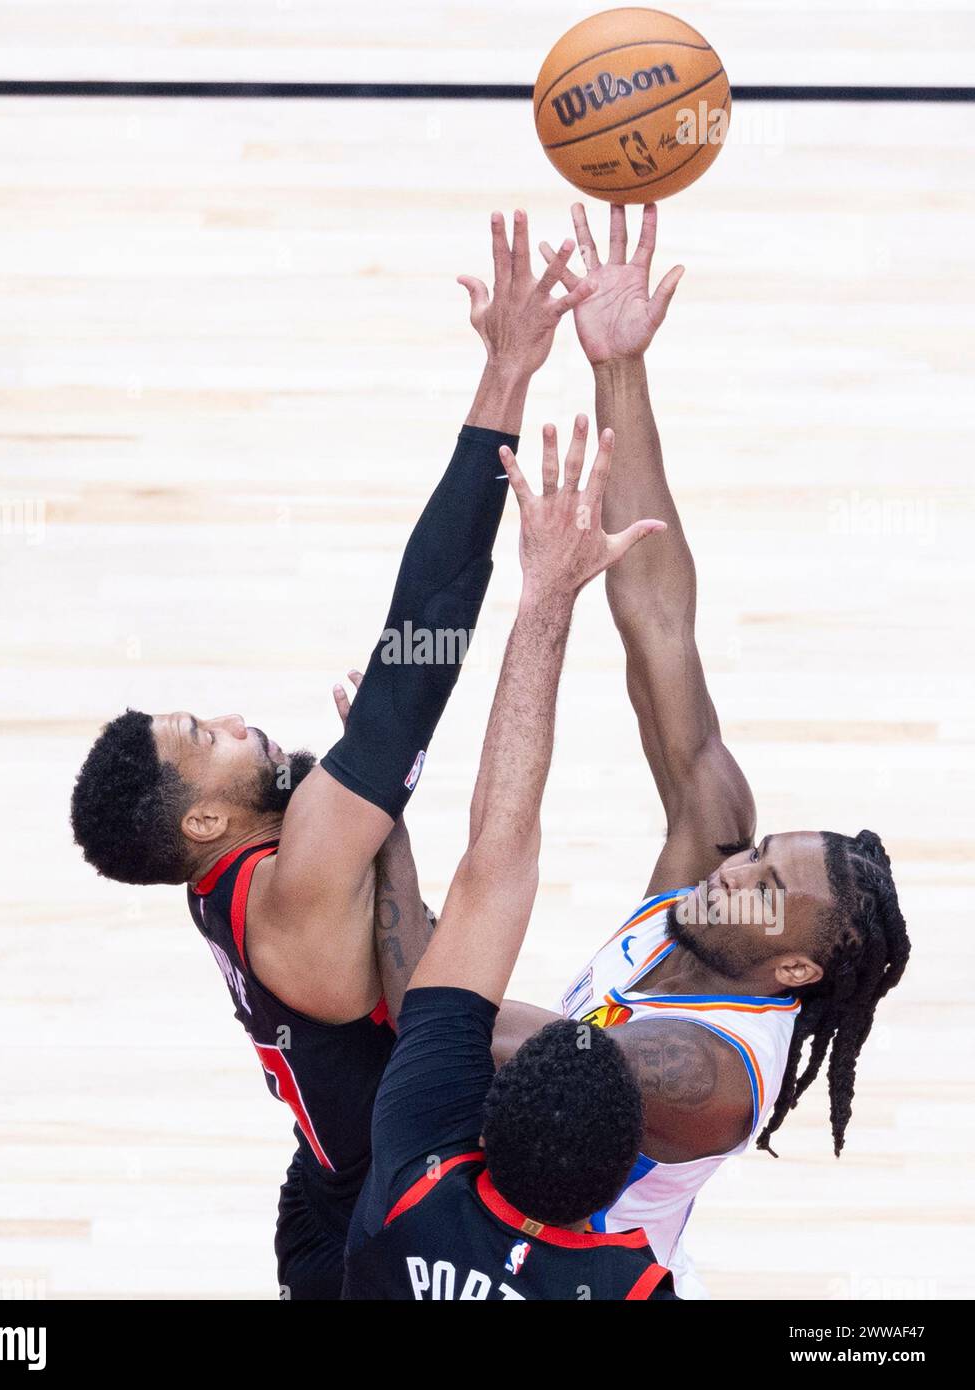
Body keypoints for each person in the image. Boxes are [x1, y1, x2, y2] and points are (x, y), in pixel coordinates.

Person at [69, 213, 590, 1299]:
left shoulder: (223, 874)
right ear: (202, 818)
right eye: (202, 737)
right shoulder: (297, 878)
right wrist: (501, 383)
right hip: (382, 1220)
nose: (230, 719)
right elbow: (417, 652)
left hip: (332, 1182)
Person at [492, 202, 911, 1296]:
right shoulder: (706, 879)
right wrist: (618, 368)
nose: (732, 868)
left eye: (764, 886)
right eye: (754, 853)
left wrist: (385, 950)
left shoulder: (722, 1072)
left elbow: (537, 1058)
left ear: (796, 968)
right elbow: (658, 621)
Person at [344, 418, 675, 1301]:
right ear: (616, 1186)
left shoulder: (414, 1165)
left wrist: (547, 599)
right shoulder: (629, 1288)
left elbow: (499, 852)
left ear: (481, 1115)